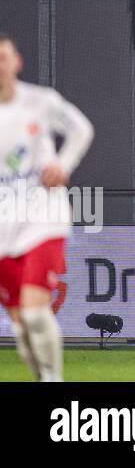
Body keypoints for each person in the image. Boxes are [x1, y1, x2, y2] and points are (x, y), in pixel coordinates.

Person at [0, 34, 94, 382]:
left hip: (44, 218)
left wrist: (64, 165)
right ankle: (41, 373)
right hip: (4, 227)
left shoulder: (39, 102)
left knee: (36, 313)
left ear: (16, 63)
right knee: (21, 328)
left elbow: (81, 129)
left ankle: (54, 382)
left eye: (3, 57)